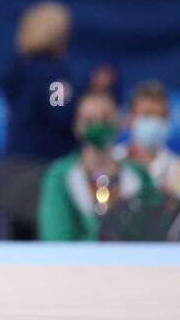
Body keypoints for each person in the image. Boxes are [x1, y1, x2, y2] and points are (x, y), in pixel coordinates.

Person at [37, 89, 160, 241]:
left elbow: (155, 234)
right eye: (89, 120)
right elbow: (56, 239)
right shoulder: (59, 177)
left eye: (105, 118)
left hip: (132, 263)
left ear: (119, 122)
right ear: (77, 126)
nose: (98, 126)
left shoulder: (140, 175)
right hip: (77, 264)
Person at [1, 0, 117, 159]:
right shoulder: (53, 76)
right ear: (59, 35)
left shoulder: (18, 69)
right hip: (44, 161)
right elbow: (60, 111)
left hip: (15, 157)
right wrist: (91, 90)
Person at [113, 80, 180, 211]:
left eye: (162, 116)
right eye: (148, 115)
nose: (156, 122)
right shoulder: (111, 162)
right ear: (130, 118)